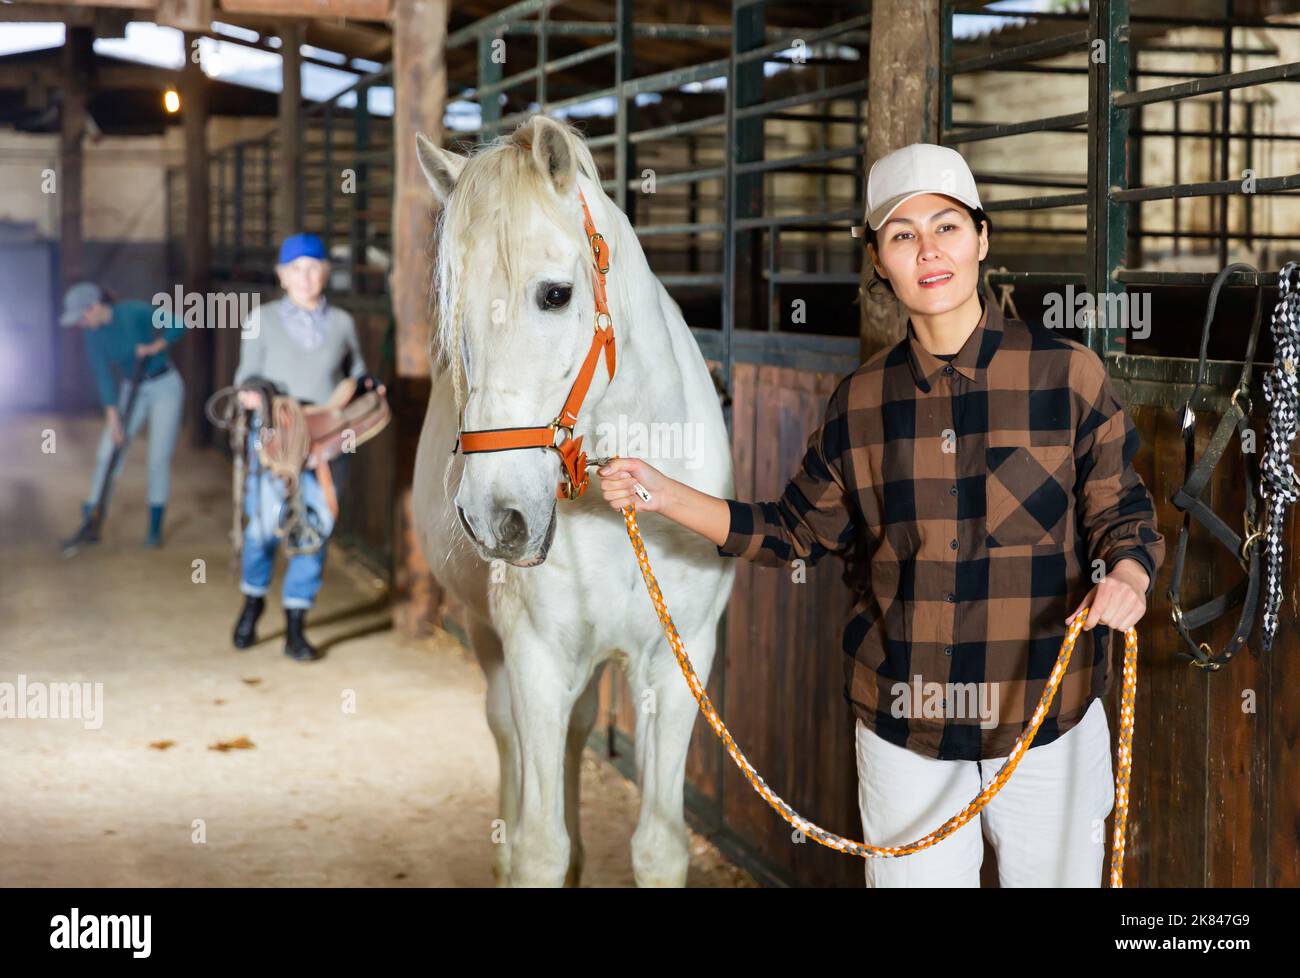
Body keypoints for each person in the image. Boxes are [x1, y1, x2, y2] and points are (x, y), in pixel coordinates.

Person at [596, 143, 1165, 887]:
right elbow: (793, 531)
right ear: (878, 261)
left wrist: (1128, 574)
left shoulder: (1067, 374)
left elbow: (1123, 513)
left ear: (982, 240)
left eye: (948, 227)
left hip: (1044, 722)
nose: (929, 251)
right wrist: (662, 493)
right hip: (904, 729)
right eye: (902, 235)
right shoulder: (860, 403)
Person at [230, 232, 382, 662]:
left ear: (325, 273)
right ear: (282, 275)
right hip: (276, 441)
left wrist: (365, 386)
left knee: (313, 531)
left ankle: (296, 625)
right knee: (262, 528)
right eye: (296, 269)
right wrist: (252, 394)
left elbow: (357, 371)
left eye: (313, 268)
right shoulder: (261, 320)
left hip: (325, 444)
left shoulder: (343, 324)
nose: (305, 276)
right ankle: (253, 600)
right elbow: (246, 376)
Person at [60, 281, 186, 548]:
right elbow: (103, 376)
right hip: (133, 387)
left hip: (165, 386)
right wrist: (114, 420)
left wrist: (157, 346)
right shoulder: (92, 335)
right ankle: (93, 517)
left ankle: (154, 530)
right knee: (109, 449)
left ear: (95, 307)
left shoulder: (133, 311)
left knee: (157, 459)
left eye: (82, 316)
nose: (80, 324)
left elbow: (179, 322)